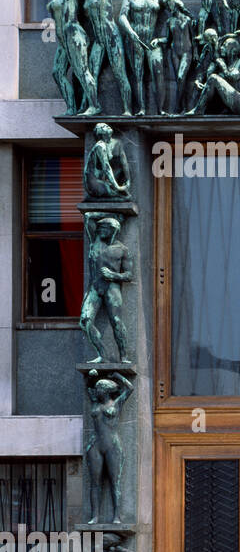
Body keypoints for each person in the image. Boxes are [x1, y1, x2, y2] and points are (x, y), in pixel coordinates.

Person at [80, 214, 132, 364]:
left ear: (113, 230)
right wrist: (110, 215)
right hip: (94, 288)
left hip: (112, 288)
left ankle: (124, 356)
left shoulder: (122, 250)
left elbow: (129, 275)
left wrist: (113, 275)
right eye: (100, 227)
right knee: (85, 321)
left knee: (116, 321)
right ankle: (103, 354)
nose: (99, 230)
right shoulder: (95, 242)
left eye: (103, 228)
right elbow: (89, 217)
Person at [85, 369, 133, 525]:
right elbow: (87, 386)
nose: (96, 391)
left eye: (99, 388)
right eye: (97, 388)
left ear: (105, 391)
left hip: (112, 444)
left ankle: (116, 516)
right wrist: (91, 376)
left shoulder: (116, 403)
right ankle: (95, 516)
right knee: (95, 482)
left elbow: (130, 388)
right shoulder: (94, 402)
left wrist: (118, 376)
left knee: (115, 482)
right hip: (96, 444)